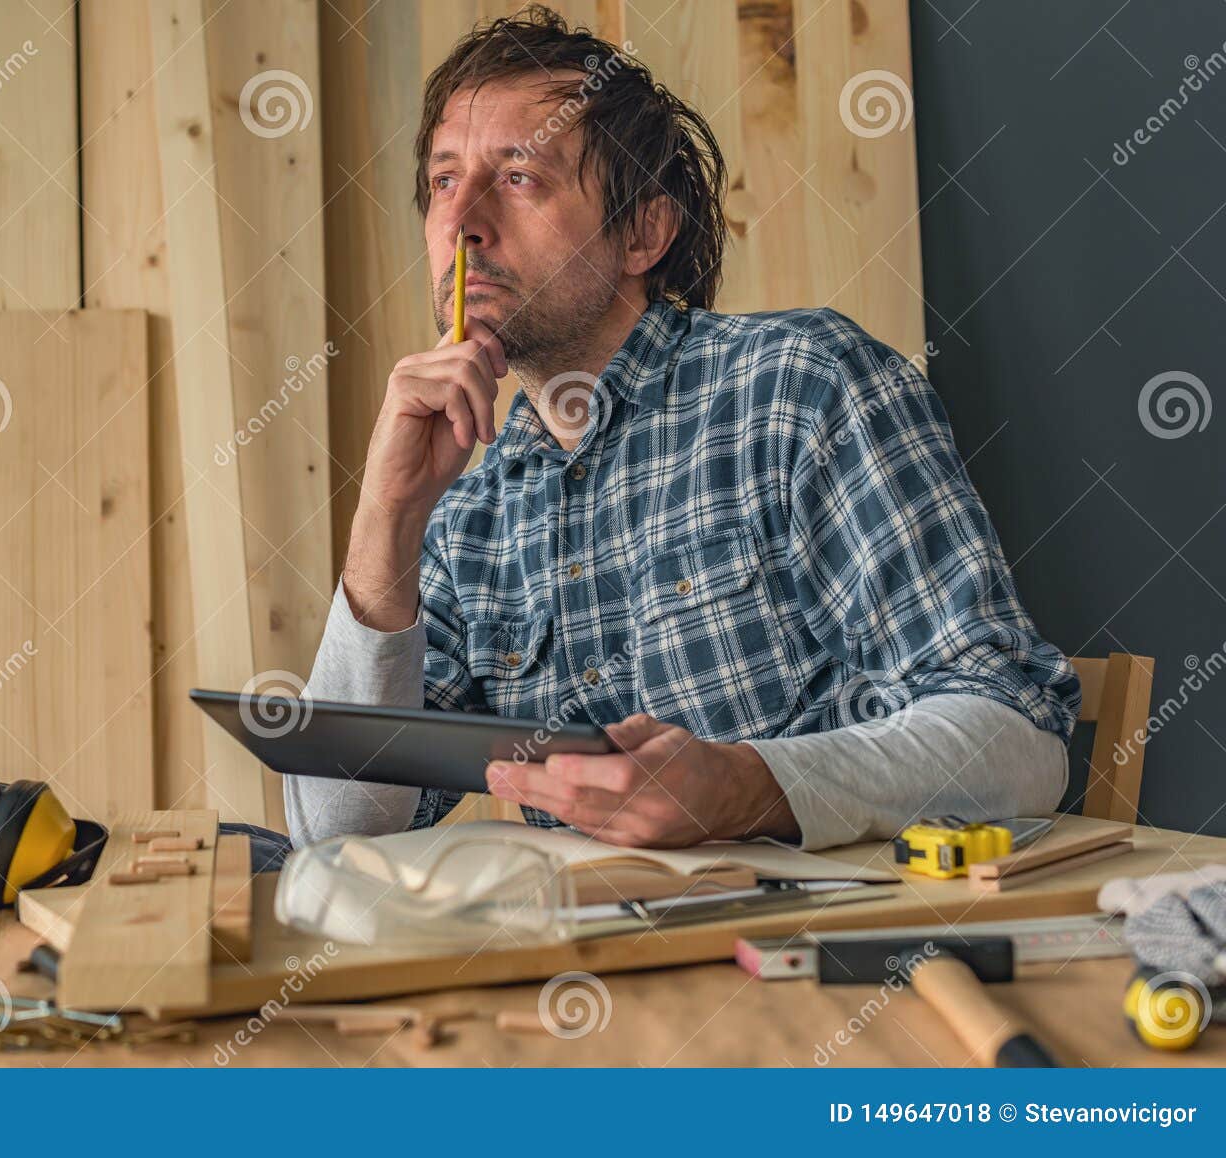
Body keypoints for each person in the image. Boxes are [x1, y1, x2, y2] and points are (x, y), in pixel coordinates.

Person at [267, 6, 1078, 866]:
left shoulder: (801, 389)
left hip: (833, 962)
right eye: (442, 181)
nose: (461, 221)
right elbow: (339, 829)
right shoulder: (472, 508)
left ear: (643, 233)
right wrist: (385, 520)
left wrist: (743, 786)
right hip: (594, 976)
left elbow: (1020, 741)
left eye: (519, 177)